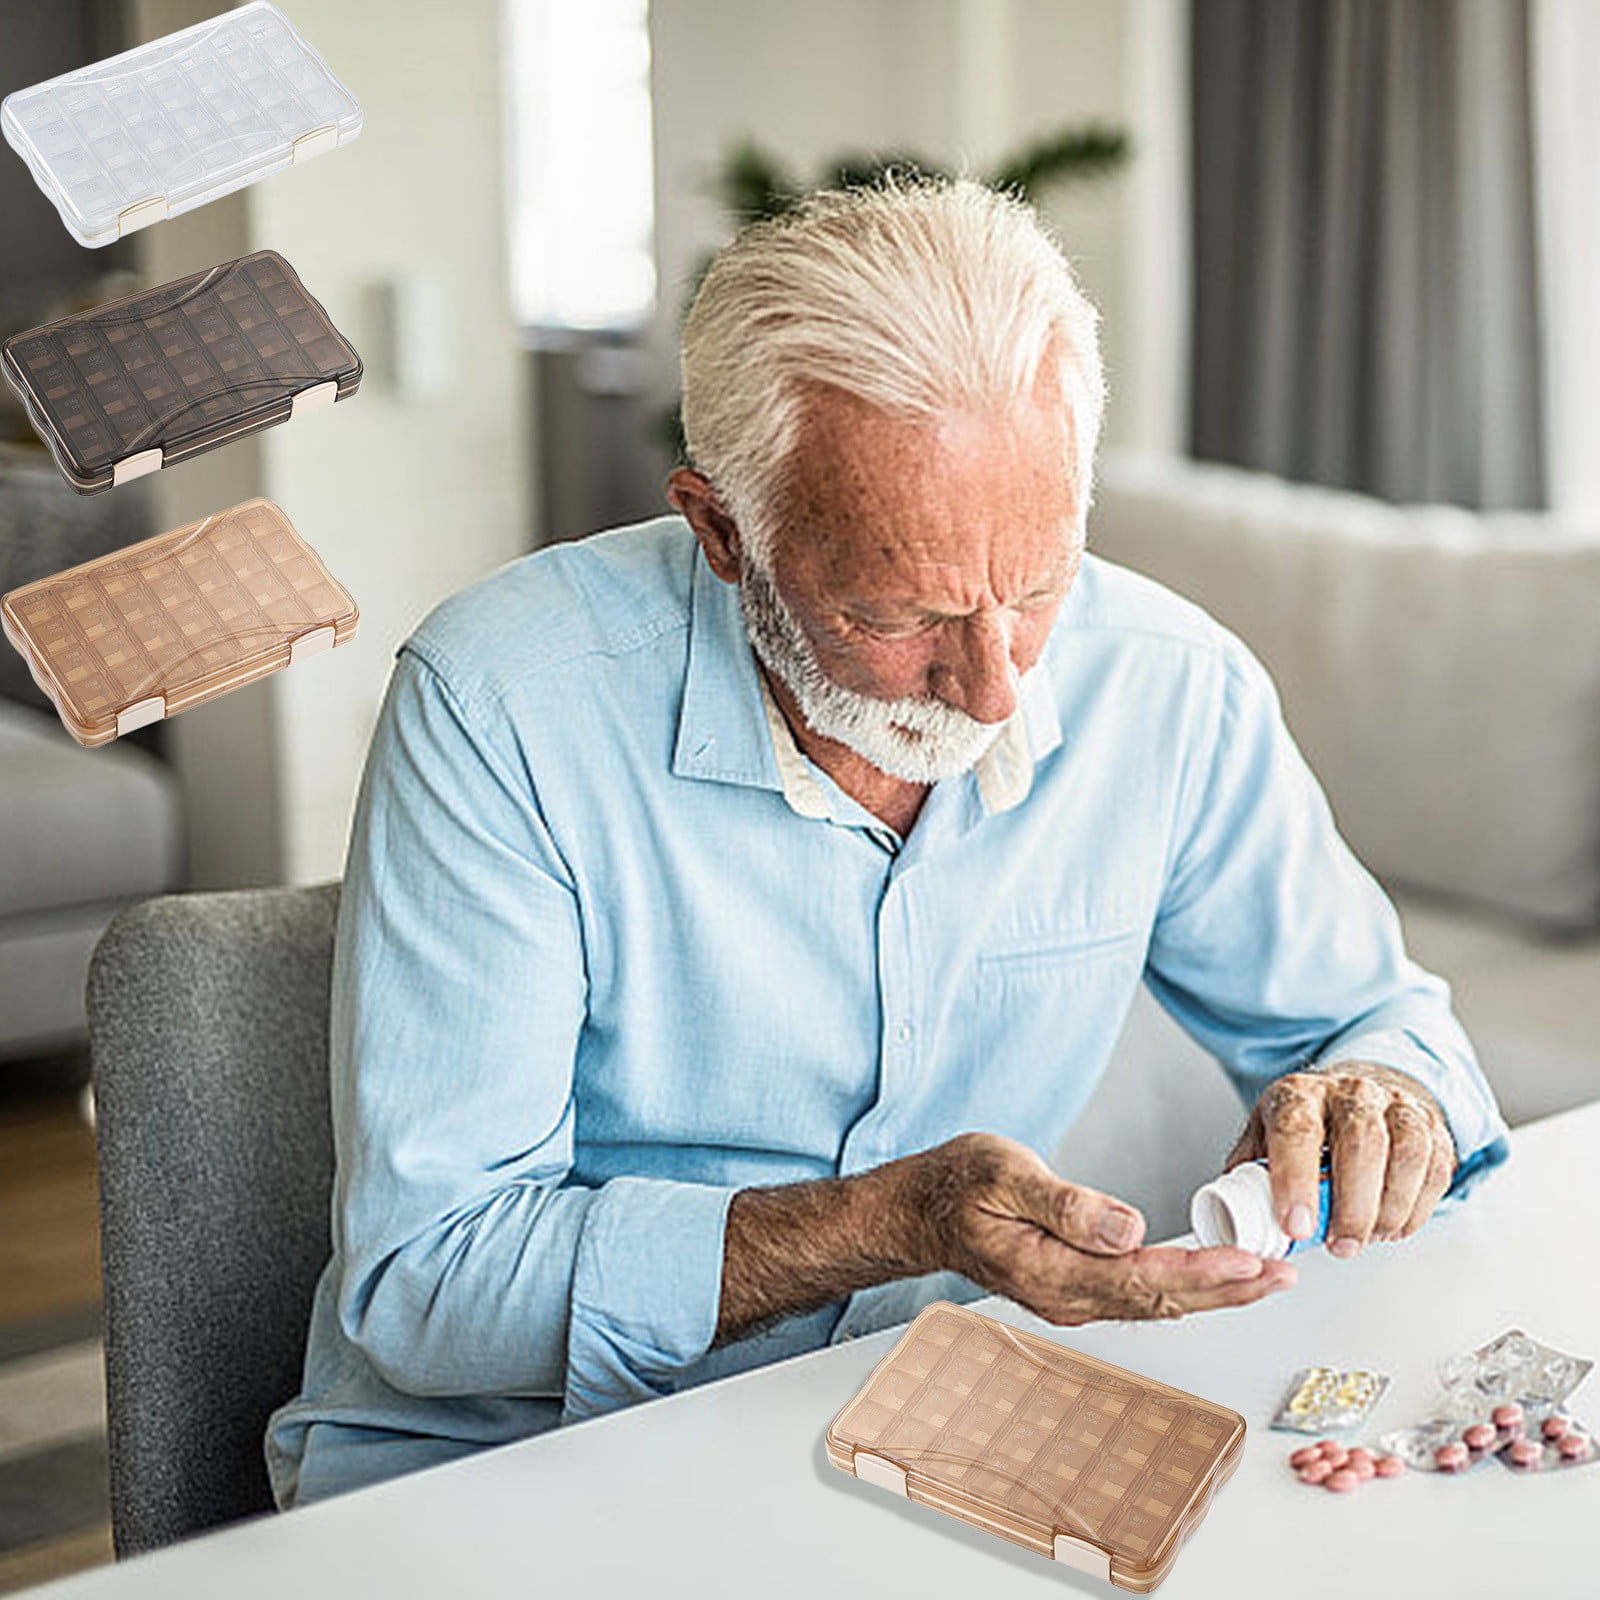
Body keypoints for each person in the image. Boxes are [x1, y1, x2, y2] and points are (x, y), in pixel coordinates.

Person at [267, 179, 1508, 1507]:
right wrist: (887, 1225)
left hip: (932, 1432)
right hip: (518, 1462)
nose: (994, 688)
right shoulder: (503, 702)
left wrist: (1388, 1095)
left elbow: (1377, 1019)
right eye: (901, 611)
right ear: (722, 532)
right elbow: (430, 1280)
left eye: (1037, 588)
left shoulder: (1171, 685)